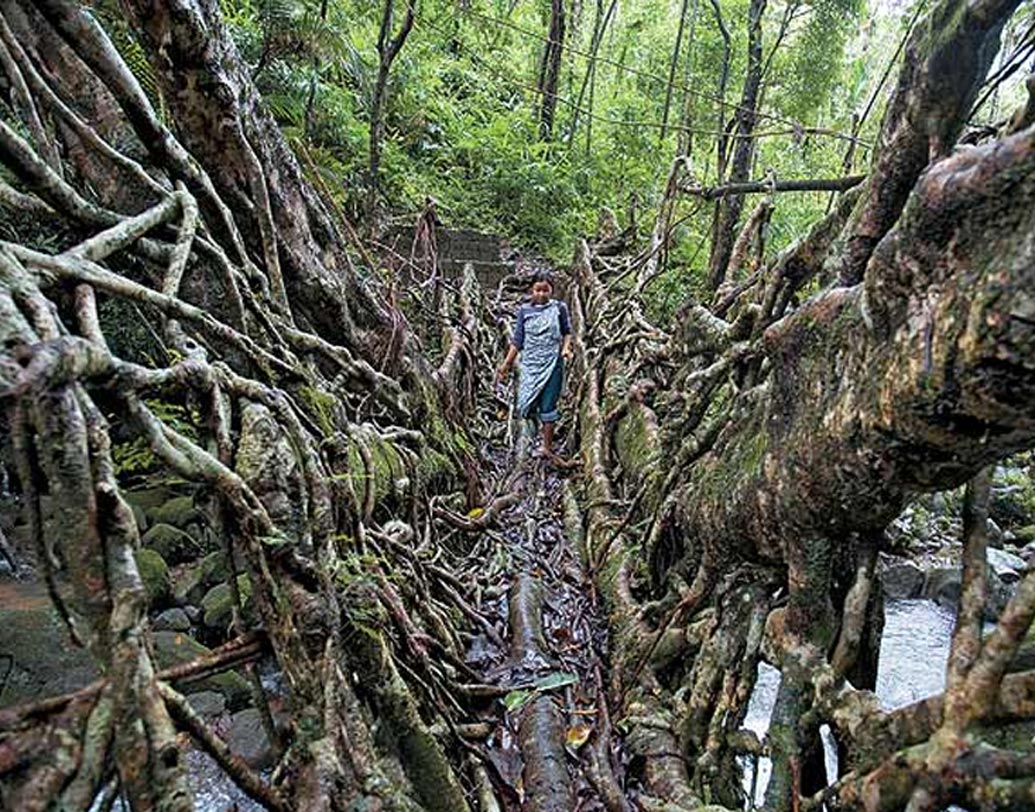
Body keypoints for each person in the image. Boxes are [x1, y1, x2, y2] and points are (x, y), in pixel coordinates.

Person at [497, 271, 573, 461]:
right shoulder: (524, 311)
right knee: (526, 405)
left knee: (548, 405)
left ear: (552, 290)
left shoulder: (559, 308)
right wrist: (506, 365)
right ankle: (527, 441)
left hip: (553, 363)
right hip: (530, 365)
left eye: (545, 290)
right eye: (537, 290)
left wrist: (565, 349)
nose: (541, 294)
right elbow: (518, 340)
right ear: (531, 290)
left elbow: (567, 332)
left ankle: (546, 447)